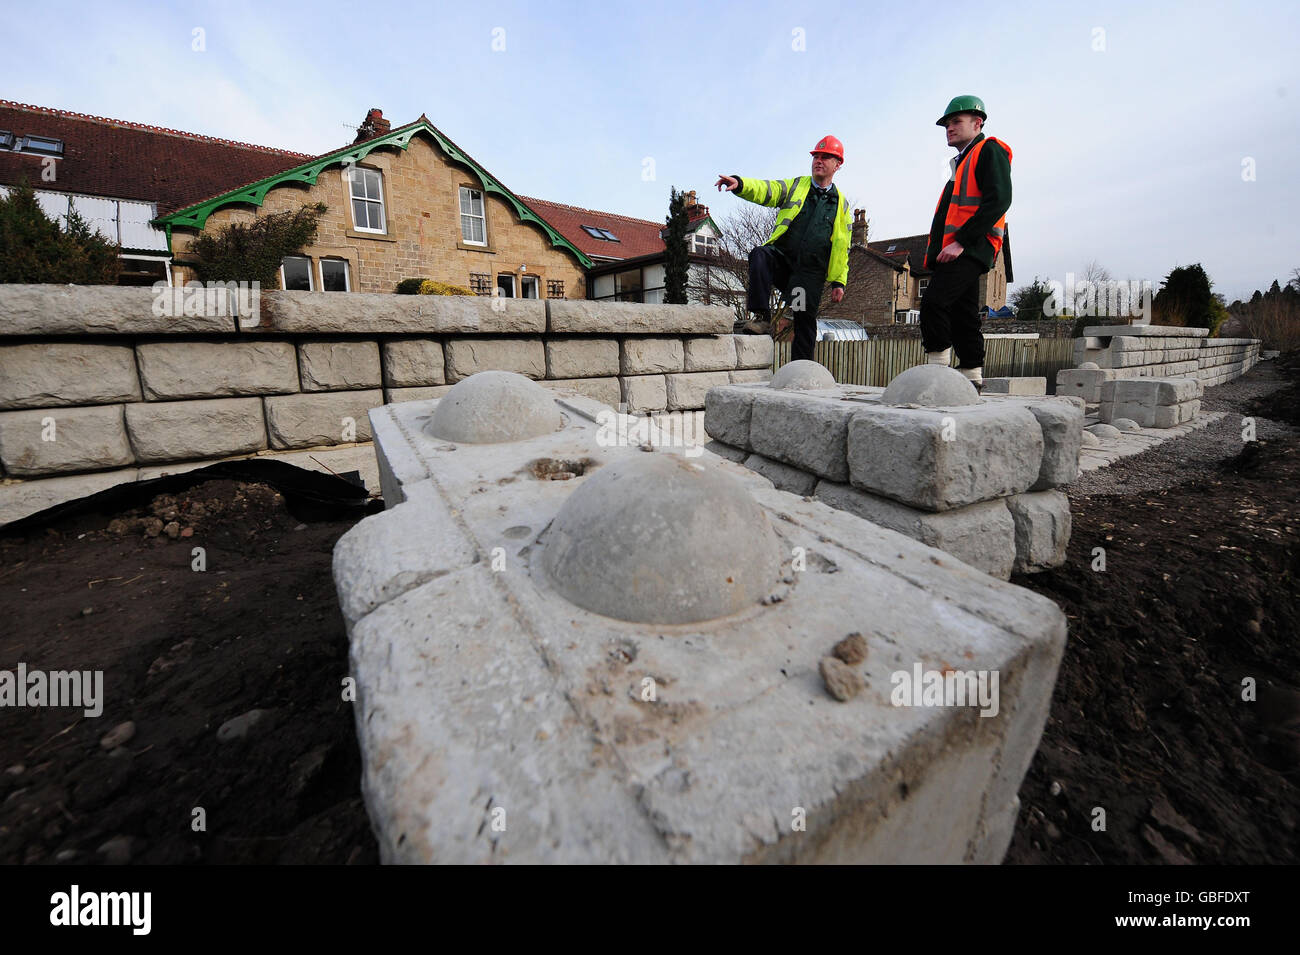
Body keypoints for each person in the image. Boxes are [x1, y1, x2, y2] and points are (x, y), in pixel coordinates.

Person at [715, 136, 852, 362]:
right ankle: (762, 317)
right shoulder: (797, 186)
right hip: (784, 265)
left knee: (803, 320)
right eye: (816, 156)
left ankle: (801, 371)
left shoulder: (841, 205)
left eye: (825, 157)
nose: (818, 160)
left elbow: (842, 247)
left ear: (838, 164)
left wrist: (839, 281)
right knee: (761, 255)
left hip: (806, 277)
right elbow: (767, 190)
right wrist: (740, 184)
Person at [919, 96, 1013, 391]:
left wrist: (960, 242)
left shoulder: (988, 150)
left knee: (934, 303)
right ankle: (972, 376)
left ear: (977, 123)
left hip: (970, 248)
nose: (949, 127)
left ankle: (937, 371)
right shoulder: (960, 165)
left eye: (956, 121)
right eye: (946, 123)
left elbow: (999, 199)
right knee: (964, 314)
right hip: (960, 250)